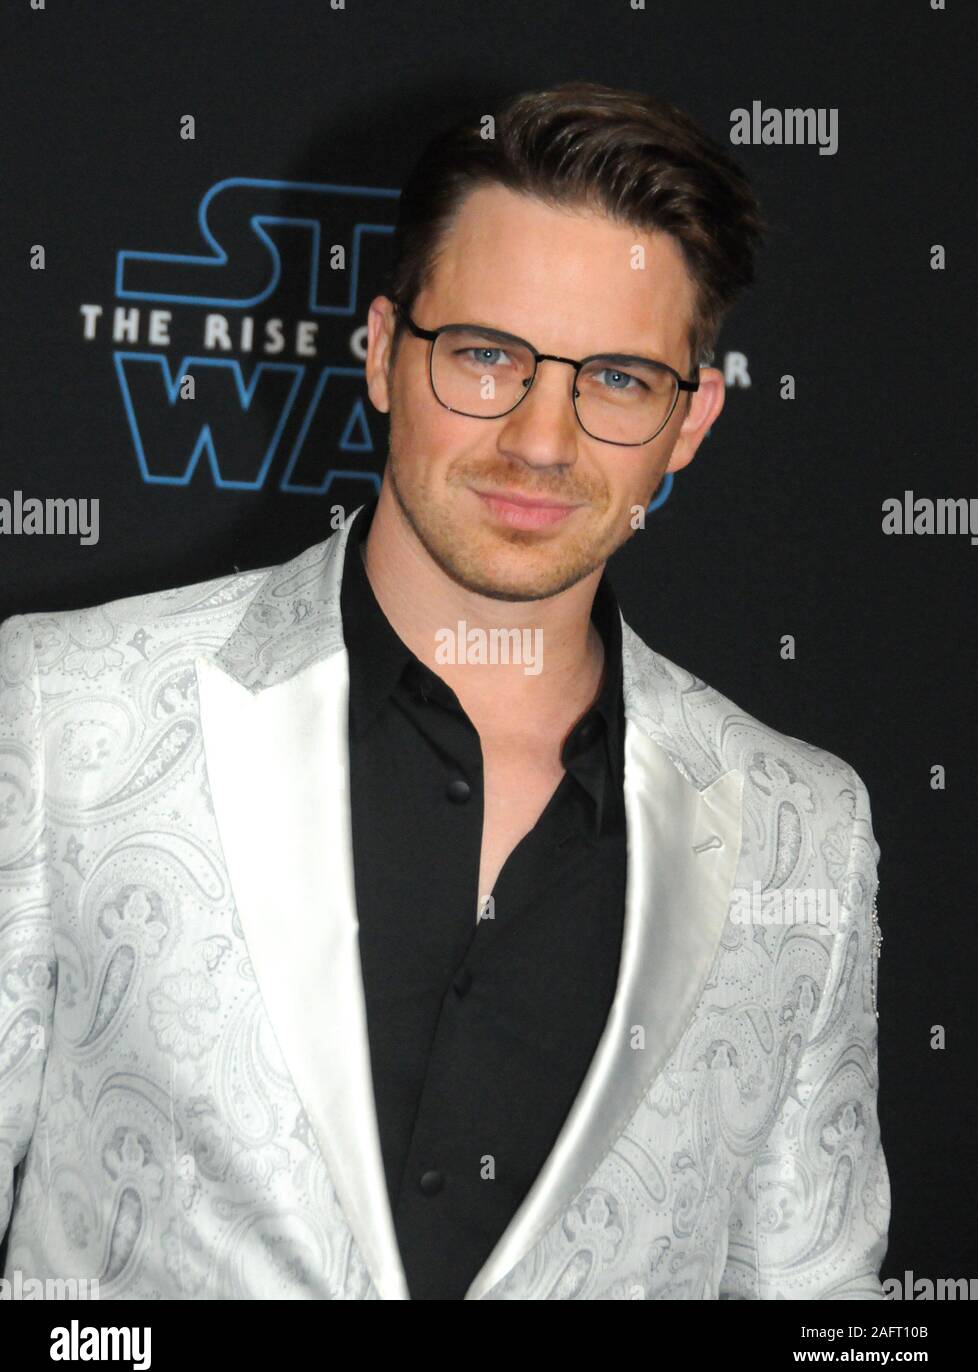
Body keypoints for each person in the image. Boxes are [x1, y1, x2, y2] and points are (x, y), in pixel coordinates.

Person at [0, 80, 888, 1300]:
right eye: (485, 355)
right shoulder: (62, 714)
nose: (540, 438)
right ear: (380, 352)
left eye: (620, 379)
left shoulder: (808, 832)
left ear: (691, 422)